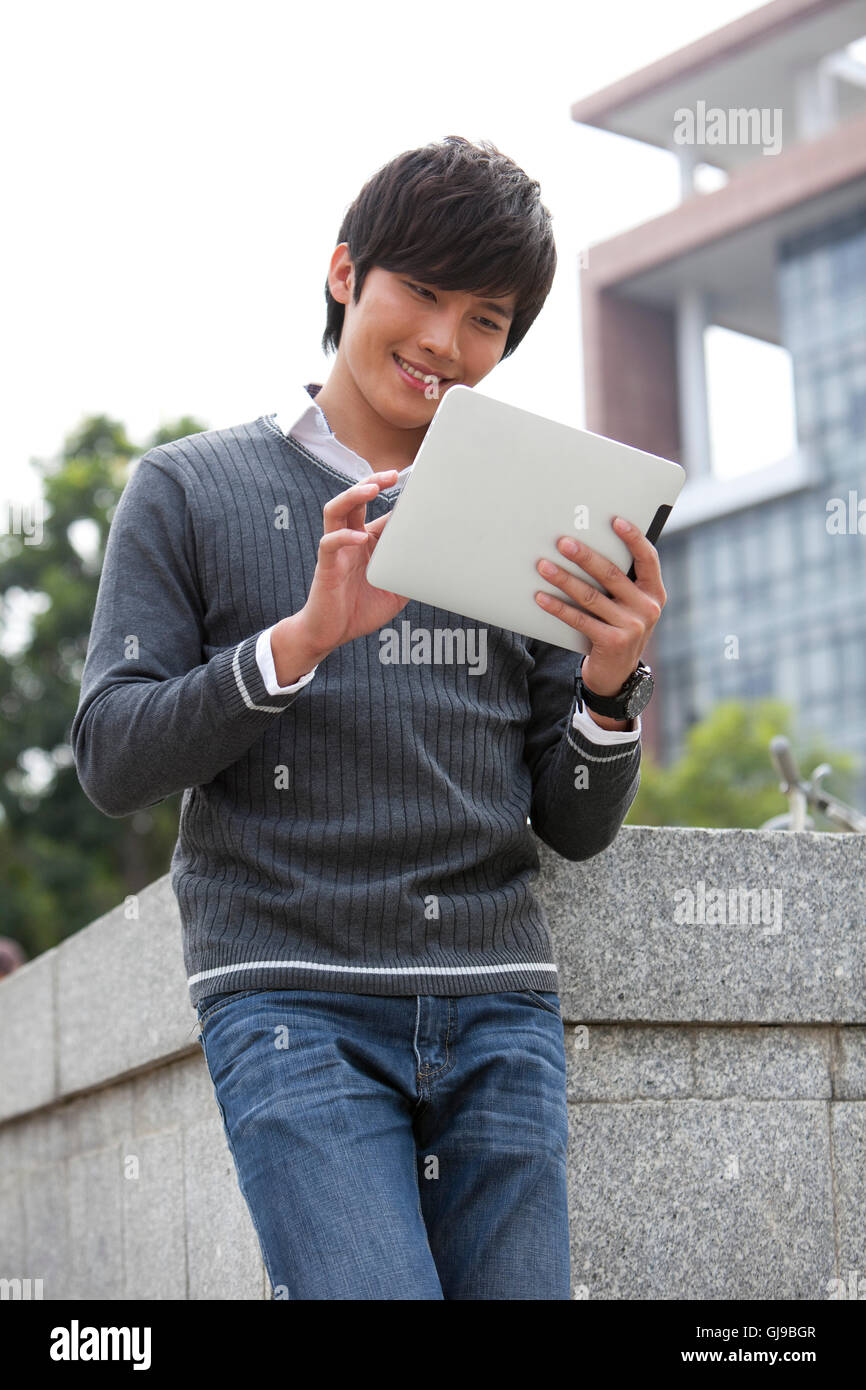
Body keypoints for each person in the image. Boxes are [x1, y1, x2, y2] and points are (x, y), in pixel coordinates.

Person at [71, 135, 666, 1300]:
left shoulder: (540, 514)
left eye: (486, 319)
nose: (445, 342)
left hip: (499, 1008)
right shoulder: (189, 490)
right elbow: (111, 756)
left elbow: (573, 825)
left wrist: (609, 684)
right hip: (292, 998)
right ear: (345, 273)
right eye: (423, 292)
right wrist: (300, 641)